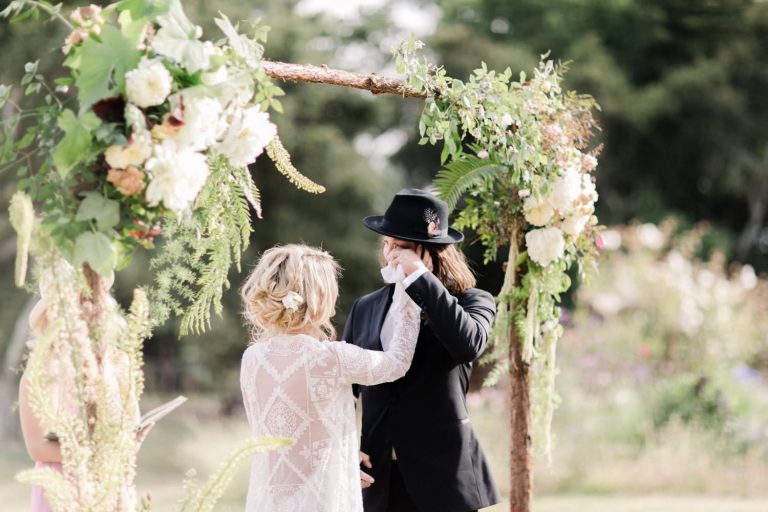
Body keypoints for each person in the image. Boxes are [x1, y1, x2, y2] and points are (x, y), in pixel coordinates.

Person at [343, 188, 501, 512]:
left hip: (443, 476)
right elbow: (343, 389)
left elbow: (468, 344)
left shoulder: (473, 301)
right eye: (387, 243)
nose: (391, 255)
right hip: (379, 477)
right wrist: (342, 449)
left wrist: (420, 279)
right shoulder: (365, 307)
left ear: (431, 253)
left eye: (402, 248)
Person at [239, 244, 421, 512]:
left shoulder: (251, 359)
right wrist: (409, 286)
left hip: (268, 502)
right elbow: (397, 362)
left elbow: (275, 436)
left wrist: (341, 454)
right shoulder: (332, 358)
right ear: (320, 297)